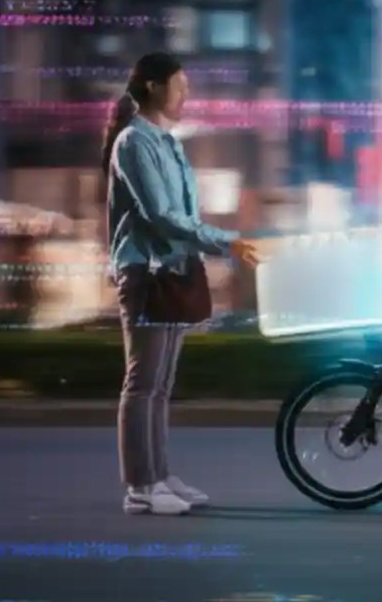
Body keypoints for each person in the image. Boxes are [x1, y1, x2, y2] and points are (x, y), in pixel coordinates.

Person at [101, 52, 265, 515]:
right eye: (181, 84)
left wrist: (209, 245)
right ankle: (140, 486)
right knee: (142, 382)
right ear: (153, 86)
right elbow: (161, 215)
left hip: (173, 269)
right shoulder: (134, 142)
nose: (187, 93)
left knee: (161, 384)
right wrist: (225, 242)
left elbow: (181, 215)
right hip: (146, 272)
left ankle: (159, 475)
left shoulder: (168, 142)